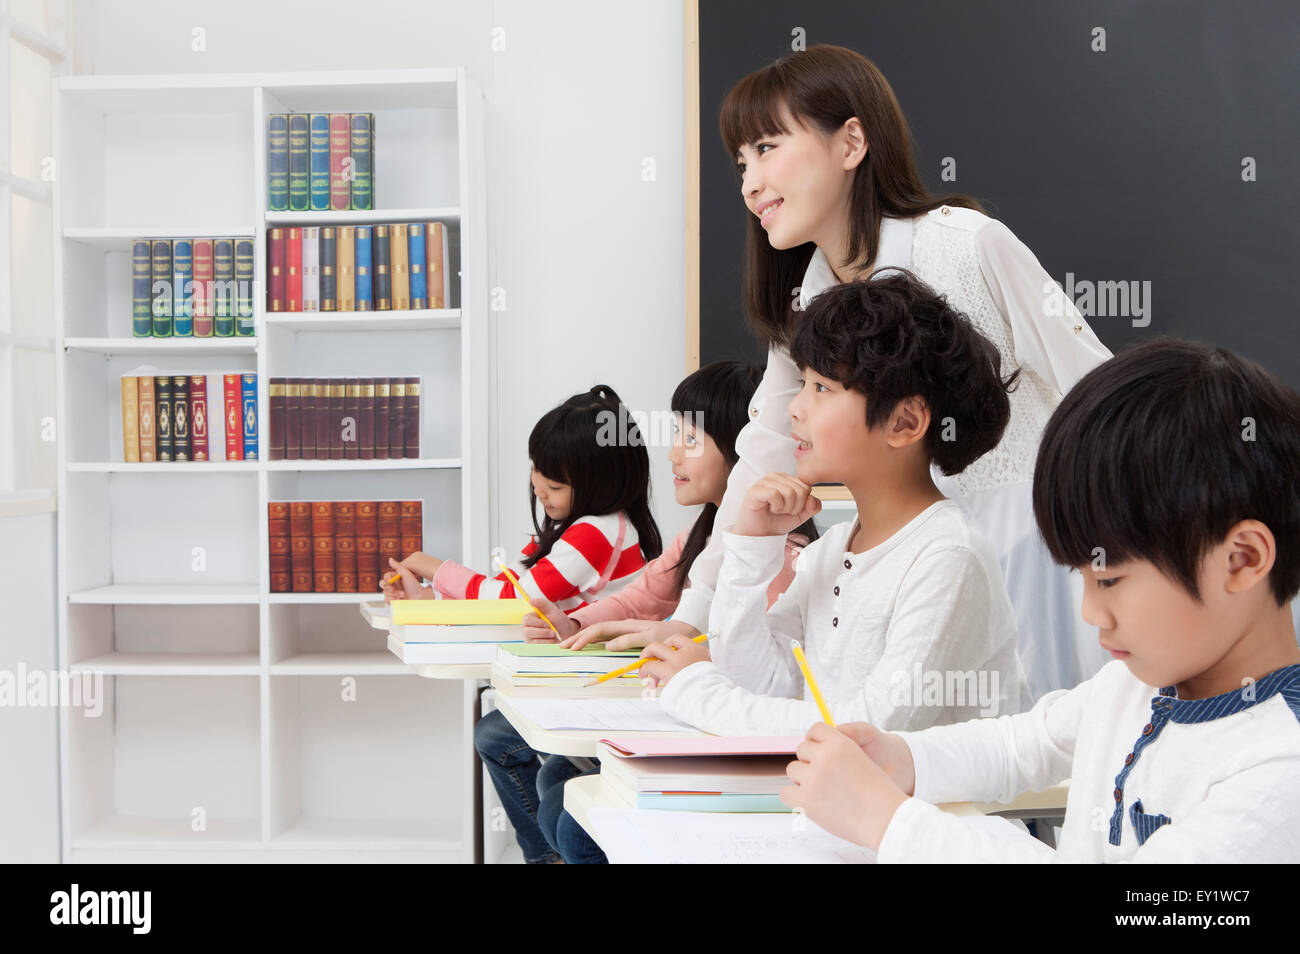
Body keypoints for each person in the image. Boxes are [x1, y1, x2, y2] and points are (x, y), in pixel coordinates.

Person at [644, 44, 1112, 701]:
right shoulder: (807, 305)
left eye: (768, 147)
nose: (749, 182)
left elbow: (1107, 399)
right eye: (740, 161)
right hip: (909, 569)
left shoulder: (967, 244)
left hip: (1041, 559)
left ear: (851, 142)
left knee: (1029, 773)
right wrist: (688, 620)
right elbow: (763, 453)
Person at [781, 337, 1300, 862]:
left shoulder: (1280, 769)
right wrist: (900, 758)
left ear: (1242, 560)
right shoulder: (1136, 684)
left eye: (1110, 580)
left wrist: (888, 821)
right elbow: (1018, 745)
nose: (1090, 612)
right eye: (1082, 578)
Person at [640, 274, 1025, 736]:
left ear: (904, 421)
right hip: (832, 800)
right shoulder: (834, 549)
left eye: (821, 388)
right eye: (802, 384)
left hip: (913, 806)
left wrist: (696, 691)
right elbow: (761, 682)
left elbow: (870, 728)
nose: (794, 409)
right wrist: (753, 544)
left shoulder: (946, 556)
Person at [476, 362, 814, 863]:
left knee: (553, 796)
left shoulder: (783, 552)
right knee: (545, 773)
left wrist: (680, 646)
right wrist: (578, 623)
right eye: (675, 434)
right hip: (688, 702)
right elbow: (642, 595)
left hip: (726, 730)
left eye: (691, 438)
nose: (674, 452)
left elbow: (749, 661)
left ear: (744, 450)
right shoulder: (700, 532)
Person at [382, 384, 661, 607]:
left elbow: (515, 602)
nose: (539, 491)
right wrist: (426, 597)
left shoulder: (596, 532)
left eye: (555, 487)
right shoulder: (570, 529)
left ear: (605, 484)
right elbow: (505, 587)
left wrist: (437, 569)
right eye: (535, 470)